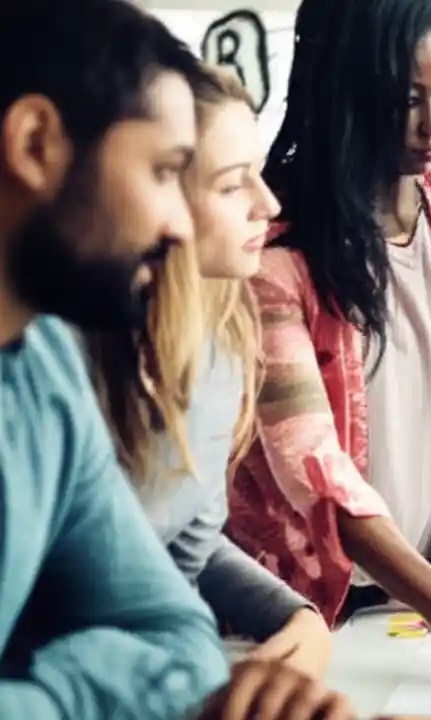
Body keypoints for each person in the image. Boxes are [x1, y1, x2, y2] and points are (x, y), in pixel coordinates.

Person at [225, 0, 431, 660]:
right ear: (349, 93)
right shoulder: (273, 254)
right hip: (298, 613)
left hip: (414, 595)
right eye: (406, 98)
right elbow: (313, 465)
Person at [0, 0, 229, 716]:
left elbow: (177, 636)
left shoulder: (44, 368)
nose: (182, 226)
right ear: (37, 144)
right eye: (166, 172)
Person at [84, 65, 337, 685]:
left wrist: (293, 616)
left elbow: (182, 550)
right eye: (232, 185)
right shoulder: (67, 365)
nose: (269, 203)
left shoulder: (223, 352)